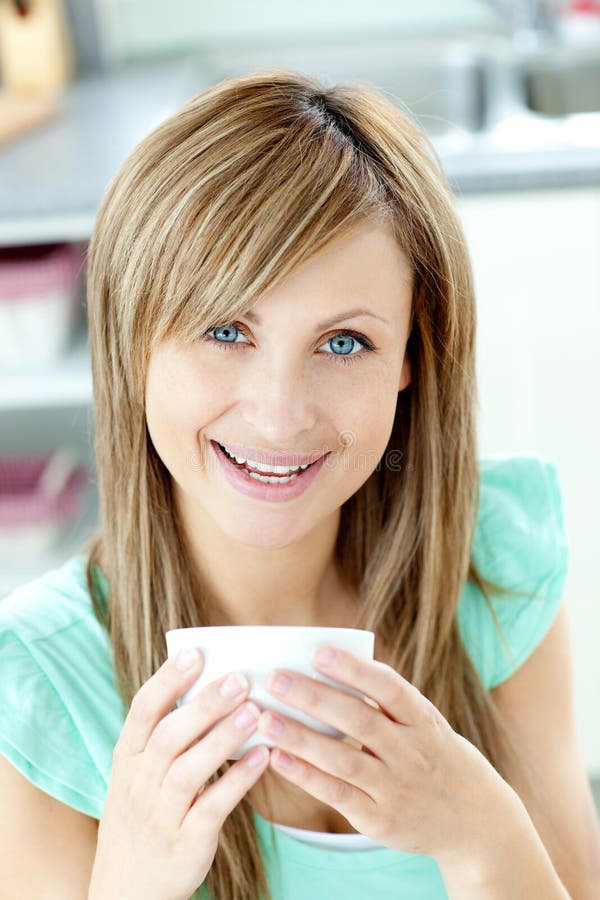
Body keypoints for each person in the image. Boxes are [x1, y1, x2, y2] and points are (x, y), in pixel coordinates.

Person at [0, 69, 598, 900]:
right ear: (133, 343)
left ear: (411, 360)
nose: (279, 418)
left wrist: (482, 836)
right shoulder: (35, 687)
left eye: (344, 342)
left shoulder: (498, 564)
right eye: (225, 330)